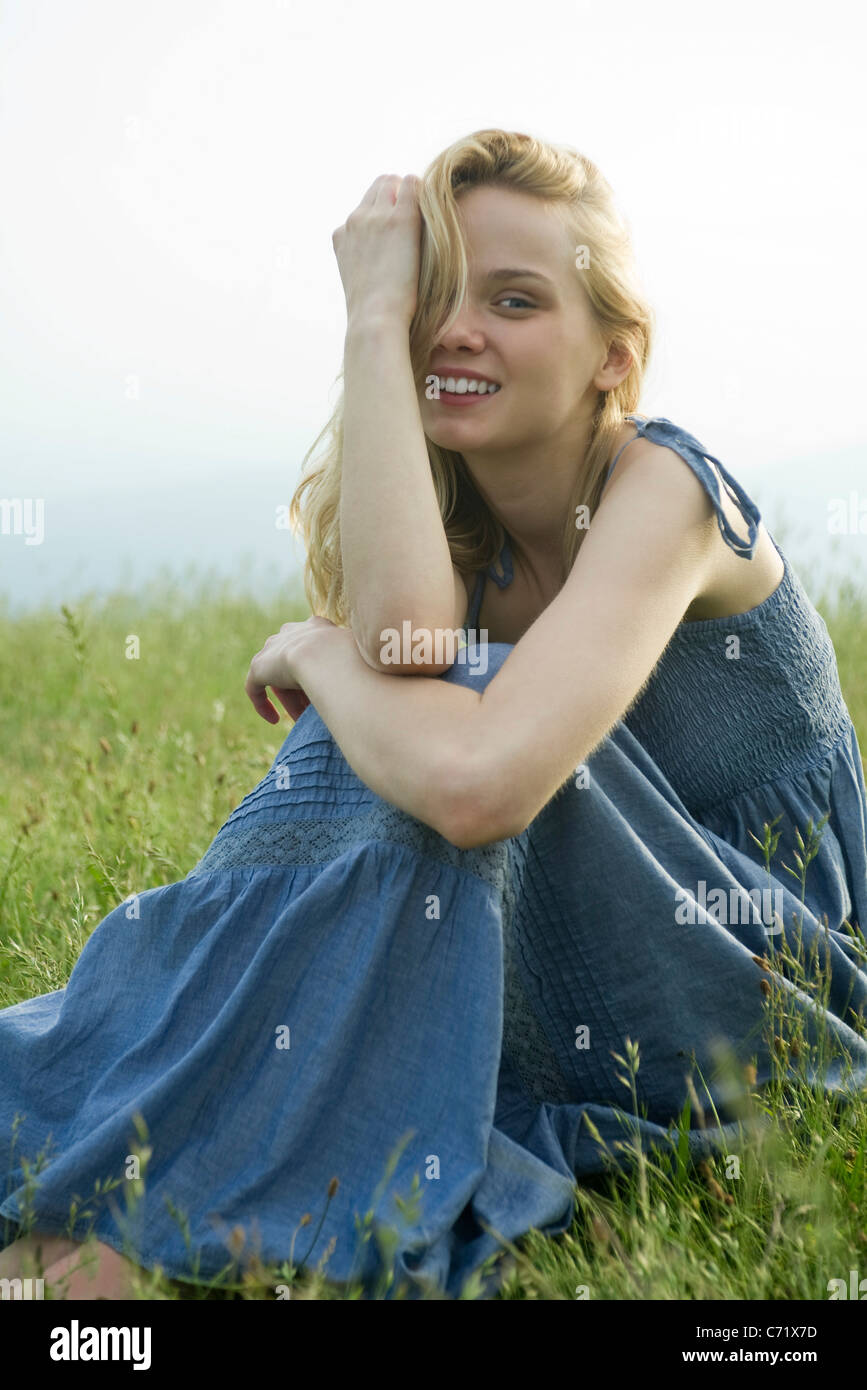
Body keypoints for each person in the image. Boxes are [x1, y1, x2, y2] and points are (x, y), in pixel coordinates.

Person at [2, 128, 866, 1302]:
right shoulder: (469, 536)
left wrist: (318, 649)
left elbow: (479, 786)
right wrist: (368, 322)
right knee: (412, 707)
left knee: (435, 718)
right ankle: (160, 1159)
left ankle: (201, 1204)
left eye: (514, 301)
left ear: (615, 357)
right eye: (435, 299)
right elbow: (407, 643)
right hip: (586, 948)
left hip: (764, 975)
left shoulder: (667, 492)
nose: (458, 330)